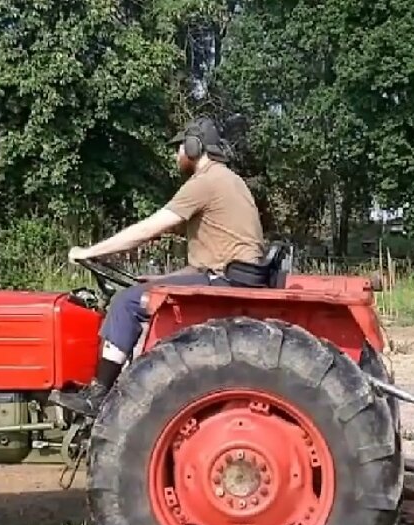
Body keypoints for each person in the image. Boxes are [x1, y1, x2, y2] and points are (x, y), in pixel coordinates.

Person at [49, 117, 266, 418]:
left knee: (125, 303)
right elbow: (202, 265)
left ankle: (98, 395)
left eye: (179, 147)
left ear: (194, 147)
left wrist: (91, 250)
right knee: (139, 293)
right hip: (227, 277)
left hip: (225, 283)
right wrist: (162, 280)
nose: (176, 154)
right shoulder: (228, 179)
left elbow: (149, 228)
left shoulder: (205, 182)